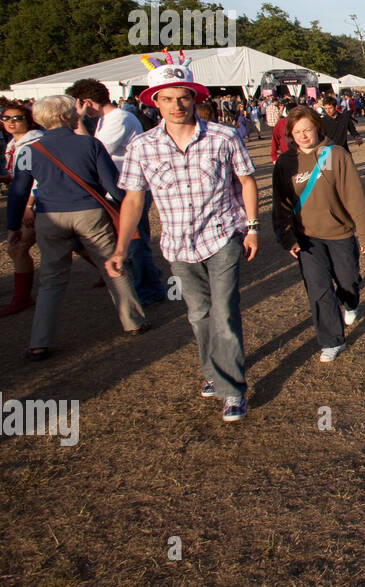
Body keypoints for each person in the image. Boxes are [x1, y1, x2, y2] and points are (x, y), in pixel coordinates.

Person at [106, 60, 260, 423]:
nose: (176, 105)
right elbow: (133, 199)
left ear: (195, 99)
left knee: (224, 312)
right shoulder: (141, 146)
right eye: (168, 99)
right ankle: (211, 371)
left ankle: (232, 390)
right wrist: (120, 247)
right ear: (154, 103)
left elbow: (247, 181)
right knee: (198, 315)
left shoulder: (224, 136)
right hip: (178, 245)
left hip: (222, 236)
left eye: (183, 97)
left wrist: (252, 227)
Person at [6, 95, 146, 360]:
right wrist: (125, 209)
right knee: (113, 267)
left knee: (51, 279)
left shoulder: (28, 150)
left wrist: (12, 226)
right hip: (88, 213)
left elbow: (18, 192)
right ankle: (133, 321)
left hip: (49, 216)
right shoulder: (90, 144)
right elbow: (112, 186)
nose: (76, 116)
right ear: (63, 116)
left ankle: (39, 341)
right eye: (72, 112)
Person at [272, 106, 365, 362]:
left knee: (348, 281)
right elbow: (281, 204)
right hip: (307, 237)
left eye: (308, 129)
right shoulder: (286, 162)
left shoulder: (336, 155)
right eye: (297, 131)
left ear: (318, 128)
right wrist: (287, 237)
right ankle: (331, 340)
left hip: (340, 232)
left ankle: (350, 304)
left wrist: (364, 232)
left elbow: (354, 195)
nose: (304, 135)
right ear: (290, 134)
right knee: (319, 289)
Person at [65, 77, 166, 307]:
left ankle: (149, 289)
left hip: (131, 188)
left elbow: (90, 152)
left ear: (87, 102)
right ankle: (148, 279)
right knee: (132, 238)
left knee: (134, 240)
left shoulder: (120, 119)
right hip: (122, 187)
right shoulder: (107, 120)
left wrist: (79, 121)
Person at [0, 103, 44, 317]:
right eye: (6, 119)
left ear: (28, 120)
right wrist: (3, 179)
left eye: (17, 118)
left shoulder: (32, 143)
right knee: (76, 243)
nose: (11, 122)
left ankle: (22, 298)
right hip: (34, 202)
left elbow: (38, 178)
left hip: (37, 202)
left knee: (19, 247)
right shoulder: (16, 144)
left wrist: (29, 205)